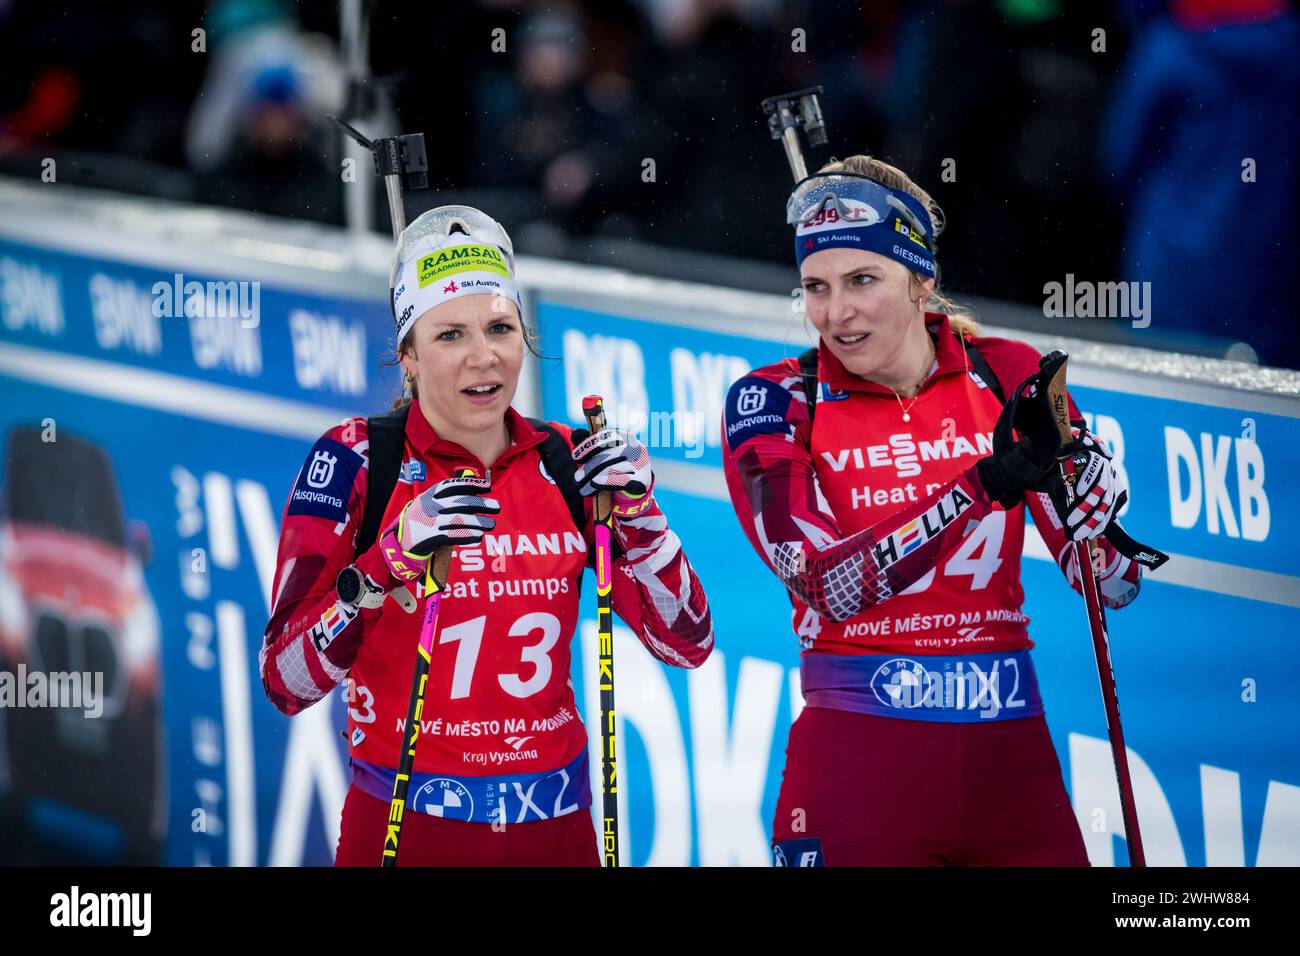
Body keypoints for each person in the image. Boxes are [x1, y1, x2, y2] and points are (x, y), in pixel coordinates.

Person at [721, 155, 1152, 866]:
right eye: (816, 288)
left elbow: (1114, 587)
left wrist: (1099, 512)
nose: (836, 313)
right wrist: (983, 484)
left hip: (1010, 757)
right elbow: (828, 585)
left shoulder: (1005, 372)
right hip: (860, 757)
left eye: (863, 280)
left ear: (922, 281)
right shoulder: (774, 401)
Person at [260, 205, 714, 866]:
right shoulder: (359, 460)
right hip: (408, 828)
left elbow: (688, 644)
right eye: (449, 336)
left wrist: (644, 520)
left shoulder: (566, 463)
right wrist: (382, 569)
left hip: (554, 830)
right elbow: (284, 681)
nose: (483, 356)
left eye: (500, 328)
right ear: (407, 357)